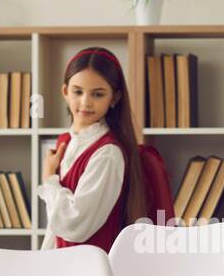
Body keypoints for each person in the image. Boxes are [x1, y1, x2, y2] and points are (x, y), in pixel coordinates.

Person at [38, 47, 147, 251]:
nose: (85, 102)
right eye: (77, 92)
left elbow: (74, 224)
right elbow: (55, 230)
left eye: (98, 94)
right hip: (63, 268)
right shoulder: (66, 142)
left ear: (114, 98)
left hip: (89, 272)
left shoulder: (108, 153)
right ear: (65, 92)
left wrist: (49, 179)